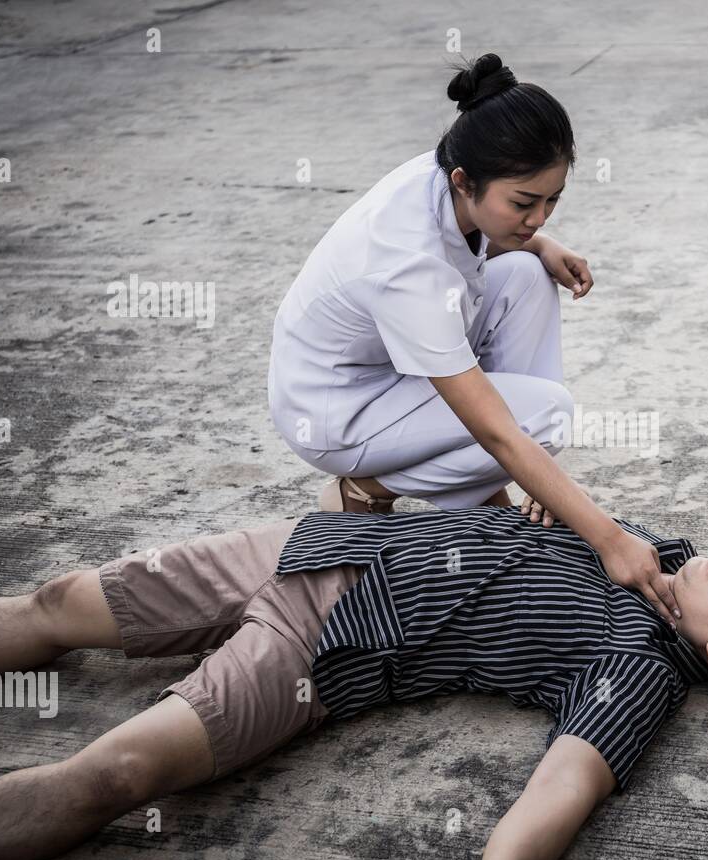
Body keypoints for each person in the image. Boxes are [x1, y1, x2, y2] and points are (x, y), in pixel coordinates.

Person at [0, 506, 708, 860]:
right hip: (315, 544)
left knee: (115, 775)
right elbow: (522, 496)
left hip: (316, 651)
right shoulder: (658, 552)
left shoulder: (638, 672)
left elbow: (560, 791)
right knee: (54, 601)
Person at [266, 51, 680, 627]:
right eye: (523, 203)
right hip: (337, 406)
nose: (539, 216)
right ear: (466, 181)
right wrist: (610, 542)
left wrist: (541, 245)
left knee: (529, 277)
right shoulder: (407, 260)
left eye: (551, 199)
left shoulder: (450, 171)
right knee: (545, 419)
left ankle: (500, 489)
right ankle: (365, 486)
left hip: (391, 363)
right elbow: (495, 429)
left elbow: (489, 241)